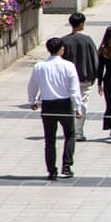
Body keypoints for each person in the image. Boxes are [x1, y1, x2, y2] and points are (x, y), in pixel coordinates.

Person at [27, 37, 82, 179]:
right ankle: (67, 165)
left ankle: (51, 170)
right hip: (64, 103)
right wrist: (78, 106)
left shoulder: (40, 66)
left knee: (49, 139)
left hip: (48, 104)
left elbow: (32, 84)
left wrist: (32, 100)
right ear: (61, 49)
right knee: (69, 134)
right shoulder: (68, 66)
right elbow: (74, 88)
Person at [61, 12, 98, 142]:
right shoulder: (87, 40)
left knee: (70, 104)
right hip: (85, 77)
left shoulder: (64, 41)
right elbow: (95, 59)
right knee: (82, 104)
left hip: (68, 80)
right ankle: (78, 131)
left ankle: (69, 129)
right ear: (82, 24)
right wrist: (95, 75)